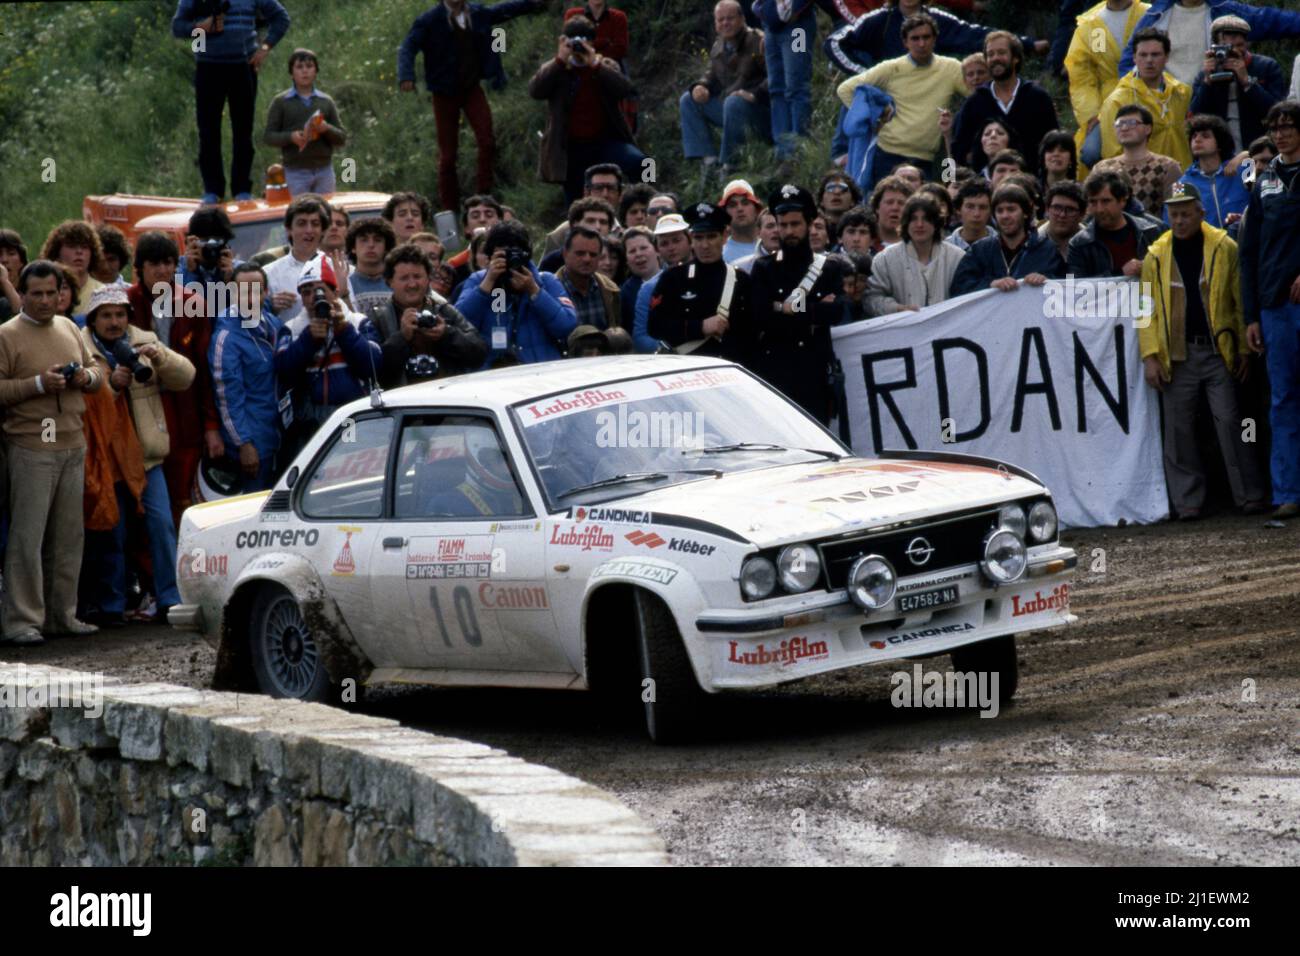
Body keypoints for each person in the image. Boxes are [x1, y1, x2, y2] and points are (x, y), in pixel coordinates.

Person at [1136, 181, 1268, 518]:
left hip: (1217, 351)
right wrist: (1150, 355)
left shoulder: (1224, 246)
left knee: (1233, 422)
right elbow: (1144, 309)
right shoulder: (1156, 254)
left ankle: (1250, 494)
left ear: (1200, 213)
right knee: (1178, 430)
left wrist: (1241, 347)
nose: (1178, 220)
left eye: (1185, 213)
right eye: (1173, 214)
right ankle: (1187, 502)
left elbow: (1238, 299)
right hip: (1177, 355)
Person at [0, 260, 103, 645]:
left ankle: (62, 614)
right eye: (37, 294)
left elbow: (96, 372)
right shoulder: (8, 335)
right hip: (32, 441)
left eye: (51, 293)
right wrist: (39, 384)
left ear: (62, 293)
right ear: (22, 294)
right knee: (28, 536)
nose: (45, 301)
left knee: (68, 536)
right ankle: (22, 620)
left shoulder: (70, 326)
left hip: (72, 440)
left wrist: (84, 378)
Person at [80, 285, 195, 627]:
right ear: (94, 319)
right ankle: (112, 605)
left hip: (147, 456)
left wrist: (160, 356)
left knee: (161, 526)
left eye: (119, 314)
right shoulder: (83, 347)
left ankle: (170, 599)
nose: (114, 322)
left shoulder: (144, 339)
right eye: (106, 315)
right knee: (112, 532)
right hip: (107, 458)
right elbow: (82, 401)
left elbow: (186, 377)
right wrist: (111, 384)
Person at [399, 0, 545, 212]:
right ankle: (451, 210)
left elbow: (503, 11)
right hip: (444, 93)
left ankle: (483, 197)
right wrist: (406, 75)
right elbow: (408, 47)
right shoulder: (429, 21)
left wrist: (532, 3)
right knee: (448, 156)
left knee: (487, 140)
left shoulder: (476, 13)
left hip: (471, 88)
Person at [126, 231, 223, 526]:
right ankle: (150, 572)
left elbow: (205, 372)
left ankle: (182, 569)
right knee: (145, 503)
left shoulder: (193, 303)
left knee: (184, 501)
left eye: (169, 262)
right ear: (139, 268)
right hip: (140, 411)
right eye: (154, 263)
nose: (162, 270)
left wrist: (211, 426)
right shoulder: (124, 304)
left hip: (185, 412)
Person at [1238, 100, 1300, 518]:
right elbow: (1249, 252)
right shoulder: (1263, 180)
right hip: (1275, 306)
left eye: (1288, 126)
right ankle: (1287, 493)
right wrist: (1251, 315)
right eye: (1274, 127)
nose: (1280, 134)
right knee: (1282, 401)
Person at [171, 0, 290, 203]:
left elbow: (281, 18)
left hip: (243, 66)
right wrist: (199, 28)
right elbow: (177, 27)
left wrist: (265, 47)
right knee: (208, 131)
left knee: (243, 131)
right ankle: (213, 190)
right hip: (208, 66)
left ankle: (242, 189)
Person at [750, 184, 847, 422]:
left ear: (809, 223)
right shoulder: (764, 268)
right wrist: (813, 311)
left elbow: (835, 312)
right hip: (776, 374)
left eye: (795, 224)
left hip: (815, 375)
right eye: (783, 225)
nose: (789, 231)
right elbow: (759, 315)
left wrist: (784, 308)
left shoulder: (829, 267)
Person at [836, 13, 968, 186]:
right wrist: (875, 115)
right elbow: (845, 89)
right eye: (915, 38)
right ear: (905, 42)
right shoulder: (892, 68)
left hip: (925, 158)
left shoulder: (951, 68)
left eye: (926, 37)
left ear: (935, 39)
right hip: (887, 155)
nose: (921, 43)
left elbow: (976, 96)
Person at [529, 16, 644, 204]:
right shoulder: (556, 68)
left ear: (592, 42)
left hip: (606, 141)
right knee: (576, 202)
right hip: (570, 148)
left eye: (584, 40)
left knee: (640, 162)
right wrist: (560, 60)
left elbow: (625, 90)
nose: (578, 47)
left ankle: (639, 203)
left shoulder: (605, 66)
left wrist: (595, 65)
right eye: (572, 41)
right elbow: (535, 91)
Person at [361, 244, 485, 388]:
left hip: (449, 397)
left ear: (428, 279)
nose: (412, 284)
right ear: (389, 282)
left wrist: (446, 334)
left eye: (417, 276)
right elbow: (372, 371)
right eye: (404, 278)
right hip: (400, 404)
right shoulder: (377, 318)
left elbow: (479, 353)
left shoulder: (444, 310)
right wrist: (402, 338)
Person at [456, 220, 578, 366]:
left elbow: (566, 326)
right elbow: (460, 325)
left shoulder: (547, 281)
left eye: (514, 253)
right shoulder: (478, 281)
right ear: (491, 255)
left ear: (526, 254)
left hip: (542, 371)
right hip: (495, 374)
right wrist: (487, 284)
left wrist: (534, 291)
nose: (509, 260)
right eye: (503, 255)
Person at [649, 201, 755, 362]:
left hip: (730, 369)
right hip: (689, 368)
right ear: (691, 238)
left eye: (712, 236)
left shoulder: (741, 280)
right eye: (699, 238)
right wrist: (699, 327)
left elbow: (752, 331)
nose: (705, 245)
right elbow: (655, 326)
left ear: (724, 236)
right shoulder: (673, 278)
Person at [210, 263, 284, 492]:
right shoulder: (227, 337)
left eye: (256, 290)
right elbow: (227, 397)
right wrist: (244, 443)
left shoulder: (272, 324)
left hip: (276, 435)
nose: (250, 297)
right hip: (252, 444)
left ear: (266, 292)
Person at [1119, 0, 1300, 88]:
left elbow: (1271, 20)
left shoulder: (1224, 10)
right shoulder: (1154, 17)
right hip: (1167, 103)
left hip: (1209, 97)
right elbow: (1129, 63)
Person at [951, 32, 1060, 176]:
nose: (995, 58)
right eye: (990, 54)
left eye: (1001, 53)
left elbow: (1053, 144)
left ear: (1015, 58)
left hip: (1031, 183)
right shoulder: (975, 102)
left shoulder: (1037, 98)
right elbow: (958, 151)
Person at [681, 1, 771, 175]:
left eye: (730, 18)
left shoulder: (759, 41)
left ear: (742, 19)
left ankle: (729, 164)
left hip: (760, 113)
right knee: (688, 99)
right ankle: (709, 160)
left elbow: (775, 76)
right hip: (732, 112)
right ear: (715, 24)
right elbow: (711, 74)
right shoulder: (718, 46)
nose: (725, 23)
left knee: (733, 101)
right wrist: (701, 86)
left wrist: (754, 95)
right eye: (720, 20)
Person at [1066, 0, 1150, 168]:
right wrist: (1091, 114)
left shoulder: (1149, 14)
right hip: (1108, 105)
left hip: (1150, 97)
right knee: (1090, 154)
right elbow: (1082, 77)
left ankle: (1180, 192)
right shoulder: (1092, 23)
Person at [1189, 15, 1284, 157]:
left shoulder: (1266, 67)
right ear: (1215, 47)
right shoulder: (1205, 73)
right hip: (1219, 152)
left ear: (1247, 44)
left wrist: (1247, 82)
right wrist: (1207, 82)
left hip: (1257, 150)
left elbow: (1277, 113)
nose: (1235, 52)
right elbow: (1195, 117)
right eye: (1227, 48)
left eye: (1239, 46)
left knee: (1250, 180)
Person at [1098, 27, 1193, 167]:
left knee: (1180, 190)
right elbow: (1113, 152)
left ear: (1166, 57)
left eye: (1155, 54)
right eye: (1143, 55)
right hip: (1141, 180)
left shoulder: (1182, 92)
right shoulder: (1118, 100)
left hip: (1179, 177)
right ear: (1134, 58)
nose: (1149, 60)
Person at [951, 184, 1066, 294]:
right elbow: (959, 289)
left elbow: (1066, 288)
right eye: (1000, 211)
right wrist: (990, 285)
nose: (1005, 216)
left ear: (1025, 213)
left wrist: (1047, 281)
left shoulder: (1047, 250)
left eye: (1011, 209)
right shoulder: (980, 250)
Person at [263, 47, 346, 197]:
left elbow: (342, 138)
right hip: (295, 172)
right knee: (299, 212)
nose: (305, 71)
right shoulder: (281, 102)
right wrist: (291, 137)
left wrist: (326, 128)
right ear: (292, 73)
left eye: (309, 66)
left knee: (325, 214)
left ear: (316, 71)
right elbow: (269, 136)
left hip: (324, 170)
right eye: (299, 67)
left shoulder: (326, 101)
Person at [864, 194, 964, 313]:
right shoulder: (885, 259)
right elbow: (872, 298)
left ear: (936, 223)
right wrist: (896, 308)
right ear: (906, 222)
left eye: (926, 219)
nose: (919, 225)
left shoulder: (957, 257)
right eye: (914, 219)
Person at [1067, 168, 1166, 277]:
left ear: (1122, 200)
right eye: (1093, 202)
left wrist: (1149, 269)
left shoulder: (1151, 232)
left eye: (1105, 201)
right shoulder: (1079, 244)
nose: (1099, 209)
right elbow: (1076, 288)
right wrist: (1120, 274)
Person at [752, 0, 818, 161]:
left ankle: (800, 146)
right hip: (771, 28)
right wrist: (762, 12)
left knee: (797, 86)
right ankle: (783, 150)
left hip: (798, 28)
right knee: (776, 89)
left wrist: (796, 9)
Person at [1093, 104, 1184, 217]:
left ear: (1148, 129)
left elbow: (1181, 204)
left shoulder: (1170, 166)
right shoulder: (1101, 168)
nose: (1124, 128)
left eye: (1132, 123)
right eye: (1119, 124)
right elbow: (1091, 207)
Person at [265, 194, 330, 325]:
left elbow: (353, 316)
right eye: (302, 223)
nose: (309, 230)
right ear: (289, 229)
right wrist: (270, 307)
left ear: (322, 230)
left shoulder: (338, 268)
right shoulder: (267, 273)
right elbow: (250, 323)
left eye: (315, 224)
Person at [1176, 113, 1250, 228]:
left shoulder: (1243, 170)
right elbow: (1173, 223)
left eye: (1205, 136)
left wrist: (1246, 154)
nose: (1197, 140)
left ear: (1220, 143)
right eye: (1194, 136)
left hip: (1244, 242)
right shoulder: (1181, 185)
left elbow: (1268, 158)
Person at [632, 214, 692, 352]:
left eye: (676, 240)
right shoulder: (649, 288)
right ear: (657, 250)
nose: (671, 247)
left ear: (690, 240)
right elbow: (640, 337)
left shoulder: (709, 278)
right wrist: (669, 349)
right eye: (664, 243)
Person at [554, 226, 622, 330]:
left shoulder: (610, 290)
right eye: (580, 253)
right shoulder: (551, 290)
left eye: (593, 255)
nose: (587, 259)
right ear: (565, 254)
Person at [40, 220, 105, 317]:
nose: (79, 251)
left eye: (84, 247)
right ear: (57, 252)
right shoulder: (41, 289)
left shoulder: (102, 292)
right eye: (72, 246)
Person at [345, 217, 399, 313]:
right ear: (353, 247)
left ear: (386, 248)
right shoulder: (346, 285)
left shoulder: (398, 283)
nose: (371, 245)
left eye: (377, 240)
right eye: (364, 240)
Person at [620, 225, 660, 328]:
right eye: (632, 251)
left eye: (643, 248)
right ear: (626, 260)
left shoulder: (676, 277)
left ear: (657, 250)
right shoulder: (625, 294)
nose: (638, 254)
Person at [1038, 180, 1088, 256]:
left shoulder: (1092, 246)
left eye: (1070, 209)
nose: (1062, 215)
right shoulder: (1032, 244)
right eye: (1057, 208)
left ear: (1082, 214)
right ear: (1047, 210)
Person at [945, 178, 996, 251]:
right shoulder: (944, 248)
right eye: (970, 207)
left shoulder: (1003, 246)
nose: (976, 214)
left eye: (983, 207)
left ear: (991, 210)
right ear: (959, 209)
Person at [721, 179, 765, 262]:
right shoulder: (722, 257)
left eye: (745, 203)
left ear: (756, 210)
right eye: (733, 205)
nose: (740, 209)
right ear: (725, 215)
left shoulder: (770, 246)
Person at [869, 174, 914, 248]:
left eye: (901, 203)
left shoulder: (919, 247)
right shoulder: (863, 243)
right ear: (877, 207)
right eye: (889, 202)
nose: (895, 208)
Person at [0, 229, 28, 324]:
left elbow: (24, 318)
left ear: (21, 261)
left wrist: (5, 282)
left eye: (11, 253)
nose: (4, 260)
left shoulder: (30, 291)